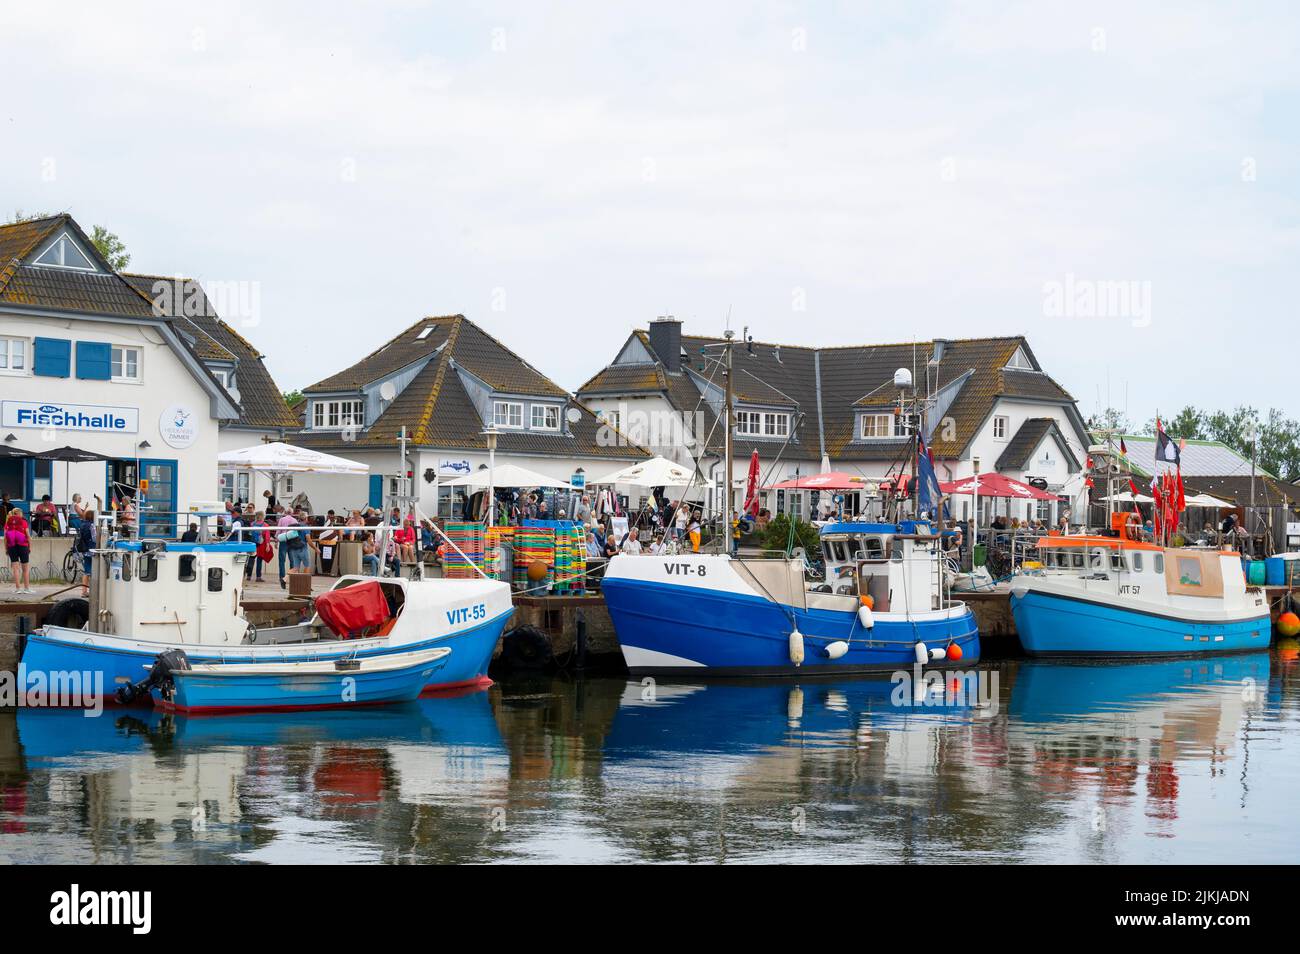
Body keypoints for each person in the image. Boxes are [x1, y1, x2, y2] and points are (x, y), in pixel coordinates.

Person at [5, 507, 32, 595]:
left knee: (15, 568)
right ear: (20, 514)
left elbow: (5, 538)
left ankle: (18, 589)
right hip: (23, 546)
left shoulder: (8, 523)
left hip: (12, 546)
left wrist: (6, 548)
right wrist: (29, 547)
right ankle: (27, 588)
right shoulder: (23, 522)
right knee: (25, 568)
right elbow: (28, 536)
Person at [74, 509, 96, 597]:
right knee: (93, 572)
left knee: (86, 572)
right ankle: (93, 591)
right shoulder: (92, 525)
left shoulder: (82, 524)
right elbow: (95, 538)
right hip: (92, 550)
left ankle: (84, 591)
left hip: (83, 550)